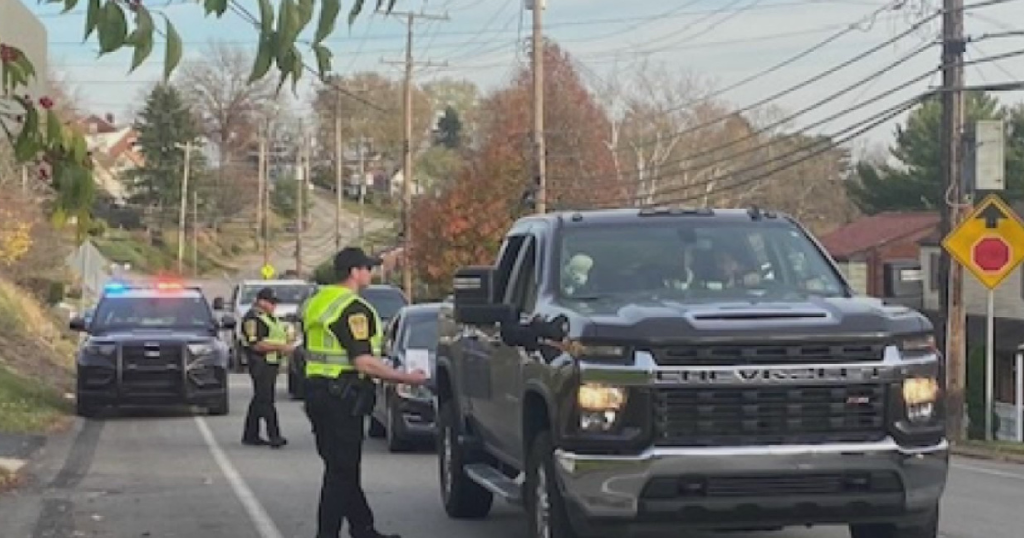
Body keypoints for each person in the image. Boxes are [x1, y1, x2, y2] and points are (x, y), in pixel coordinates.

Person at [302, 247, 428, 538]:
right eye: (367, 268)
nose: (371, 273)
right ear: (354, 272)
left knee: (340, 467)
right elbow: (363, 361)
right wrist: (406, 377)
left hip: (317, 392)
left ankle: (363, 528)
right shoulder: (354, 309)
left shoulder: (317, 301)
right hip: (341, 397)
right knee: (341, 472)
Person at [241, 287, 294, 448]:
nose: (274, 306)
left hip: (271, 362)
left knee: (259, 399)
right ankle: (274, 435)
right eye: (271, 302)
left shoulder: (269, 318)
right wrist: (281, 347)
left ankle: (250, 434)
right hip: (260, 363)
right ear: (261, 301)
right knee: (266, 400)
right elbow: (255, 344)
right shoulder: (252, 319)